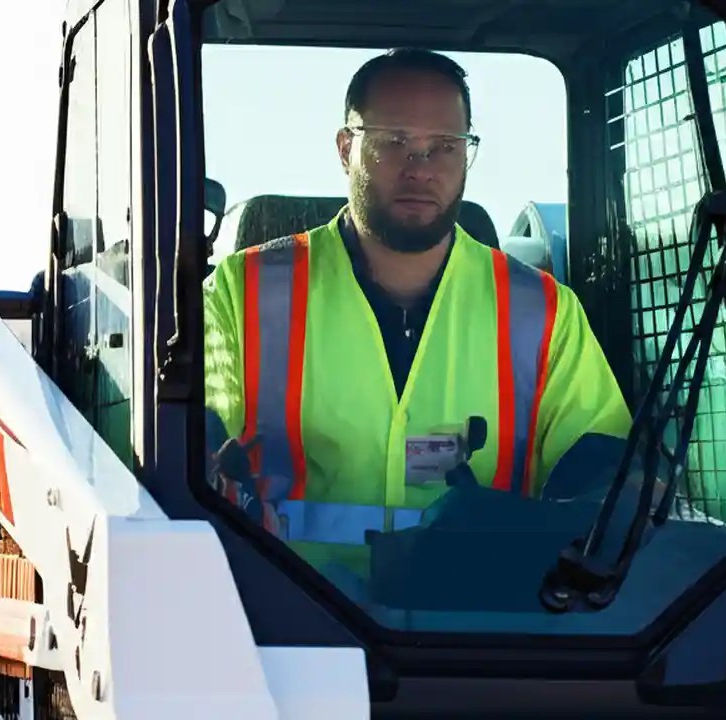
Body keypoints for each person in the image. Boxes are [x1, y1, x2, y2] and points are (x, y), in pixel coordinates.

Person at [202, 48, 635, 578]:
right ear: (346, 149)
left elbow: (606, 483)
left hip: (486, 631)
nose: (420, 169)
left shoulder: (543, 312)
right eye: (394, 142)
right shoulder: (243, 291)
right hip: (285, 619)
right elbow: (195, 459)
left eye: (445, 147)